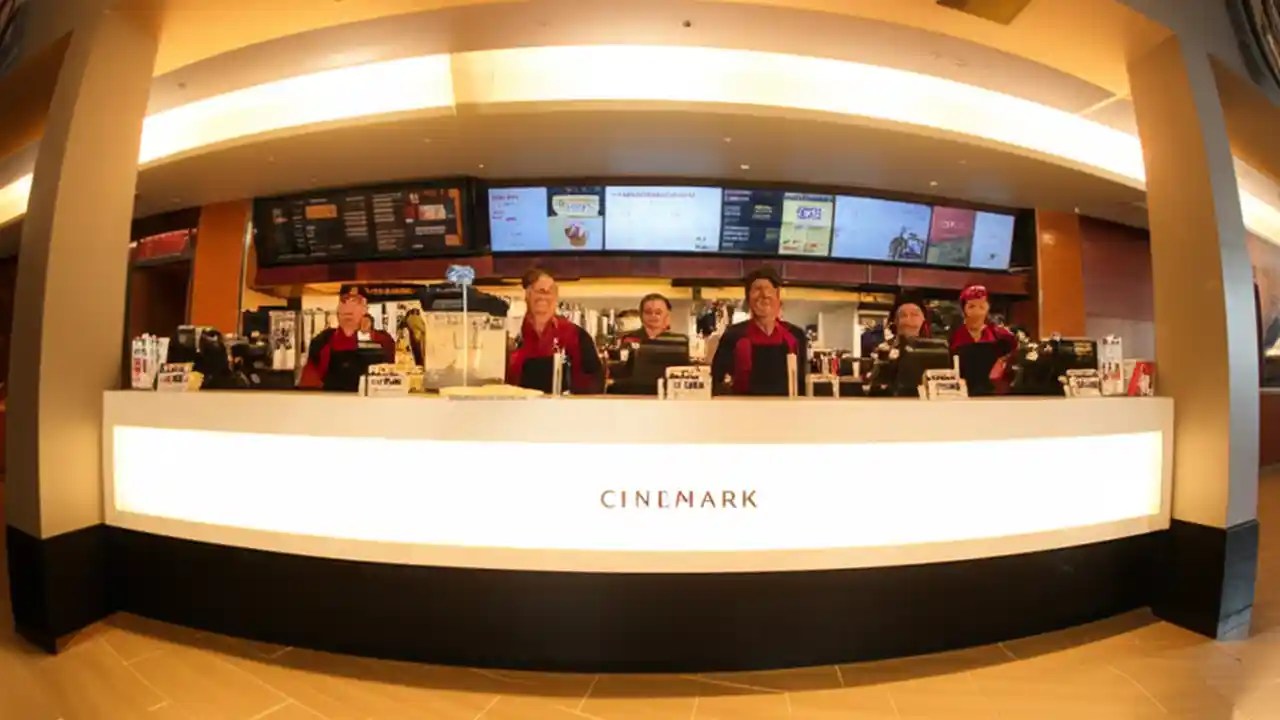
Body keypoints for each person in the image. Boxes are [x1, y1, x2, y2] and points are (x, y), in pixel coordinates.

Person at [711, 266, 808, 396]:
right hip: (742, 411)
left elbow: (803, 384)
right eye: (757, 289)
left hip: (786, 411)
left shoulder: (795, 336)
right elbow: (716, 382)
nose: (764, 295)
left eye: (769, 290)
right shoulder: (733, 336)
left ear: (778, 297)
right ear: (748, 299)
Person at [506, 267, 602, 394]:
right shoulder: (510, 335)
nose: (543, 296)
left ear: (556, 297)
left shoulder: (575, 335)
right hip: (516, 409)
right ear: (527, 295)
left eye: (549, 291)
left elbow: (593, 385)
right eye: (539, 291)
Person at [299, 286, 396, 391]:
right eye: (344, 300)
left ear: (366, 309)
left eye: (356, 301)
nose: (349, 306)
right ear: (338, 310)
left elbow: (392, 382)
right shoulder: (322, 341)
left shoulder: (383, 340)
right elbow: (308, 387)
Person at [948, 284, 1017, 395]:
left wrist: (1003, 363)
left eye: (981, 306)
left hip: (996, 393)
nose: (977, 311)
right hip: (962, 392)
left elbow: (1015, 357)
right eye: (972, 306)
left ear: (988, 307)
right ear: (963, 309)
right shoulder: (953, 336)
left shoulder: (1002, 335)